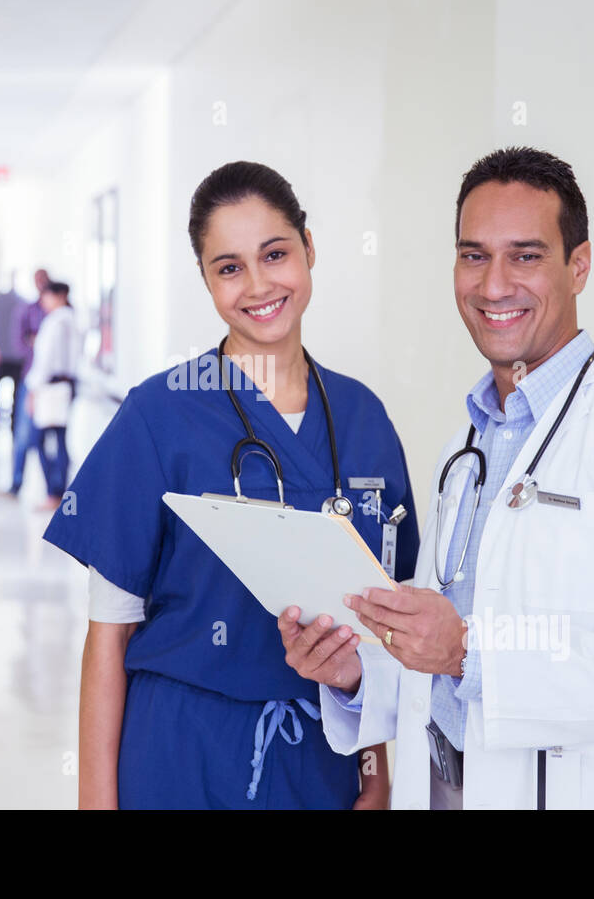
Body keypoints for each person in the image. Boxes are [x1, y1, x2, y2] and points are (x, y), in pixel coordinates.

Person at [281, 146, 594, 810]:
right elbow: (440, 650)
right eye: (473, 255)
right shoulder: (466, 444)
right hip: (447, 788)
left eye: (525, 255)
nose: (493, 286)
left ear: (578, 266)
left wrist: (469, 653)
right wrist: (355, 672)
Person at [43, 162, 419, 809]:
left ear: (309, 247)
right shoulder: (157, 415)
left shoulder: (363, 419)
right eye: (228, 267)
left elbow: (384, 630)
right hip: (180, 754)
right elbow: (109, 635)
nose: (258, 284)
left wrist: (377, 779)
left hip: (320, 762)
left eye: (275, 253)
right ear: (207, 280)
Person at [24, 281, 79, 512]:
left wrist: (33, 390)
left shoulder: (56, 321)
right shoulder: (71, 319)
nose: (44, 302)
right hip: (66, 386)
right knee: (60, 441)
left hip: (50, 387)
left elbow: (44, 360)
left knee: (37, 440)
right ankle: (59, 491)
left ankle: (54, 492)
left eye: (46, 296)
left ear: (58, 296)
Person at [3, 268, 49, 497]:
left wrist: (38, 340)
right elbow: (19, 344)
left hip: (53, 386)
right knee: (22, 434)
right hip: (31, 381)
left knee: (47, 438)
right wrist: (35, 343)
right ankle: (16, 483)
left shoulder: (60, 314)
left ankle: (55, 488)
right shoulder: (28, 311)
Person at [0, 271, 27, 430]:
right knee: (6, 389)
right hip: (8, 354)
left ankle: (7, 418)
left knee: (1, 389)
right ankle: (8, 419)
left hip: (11, 355)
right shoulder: (19, 301)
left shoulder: (21, 301)